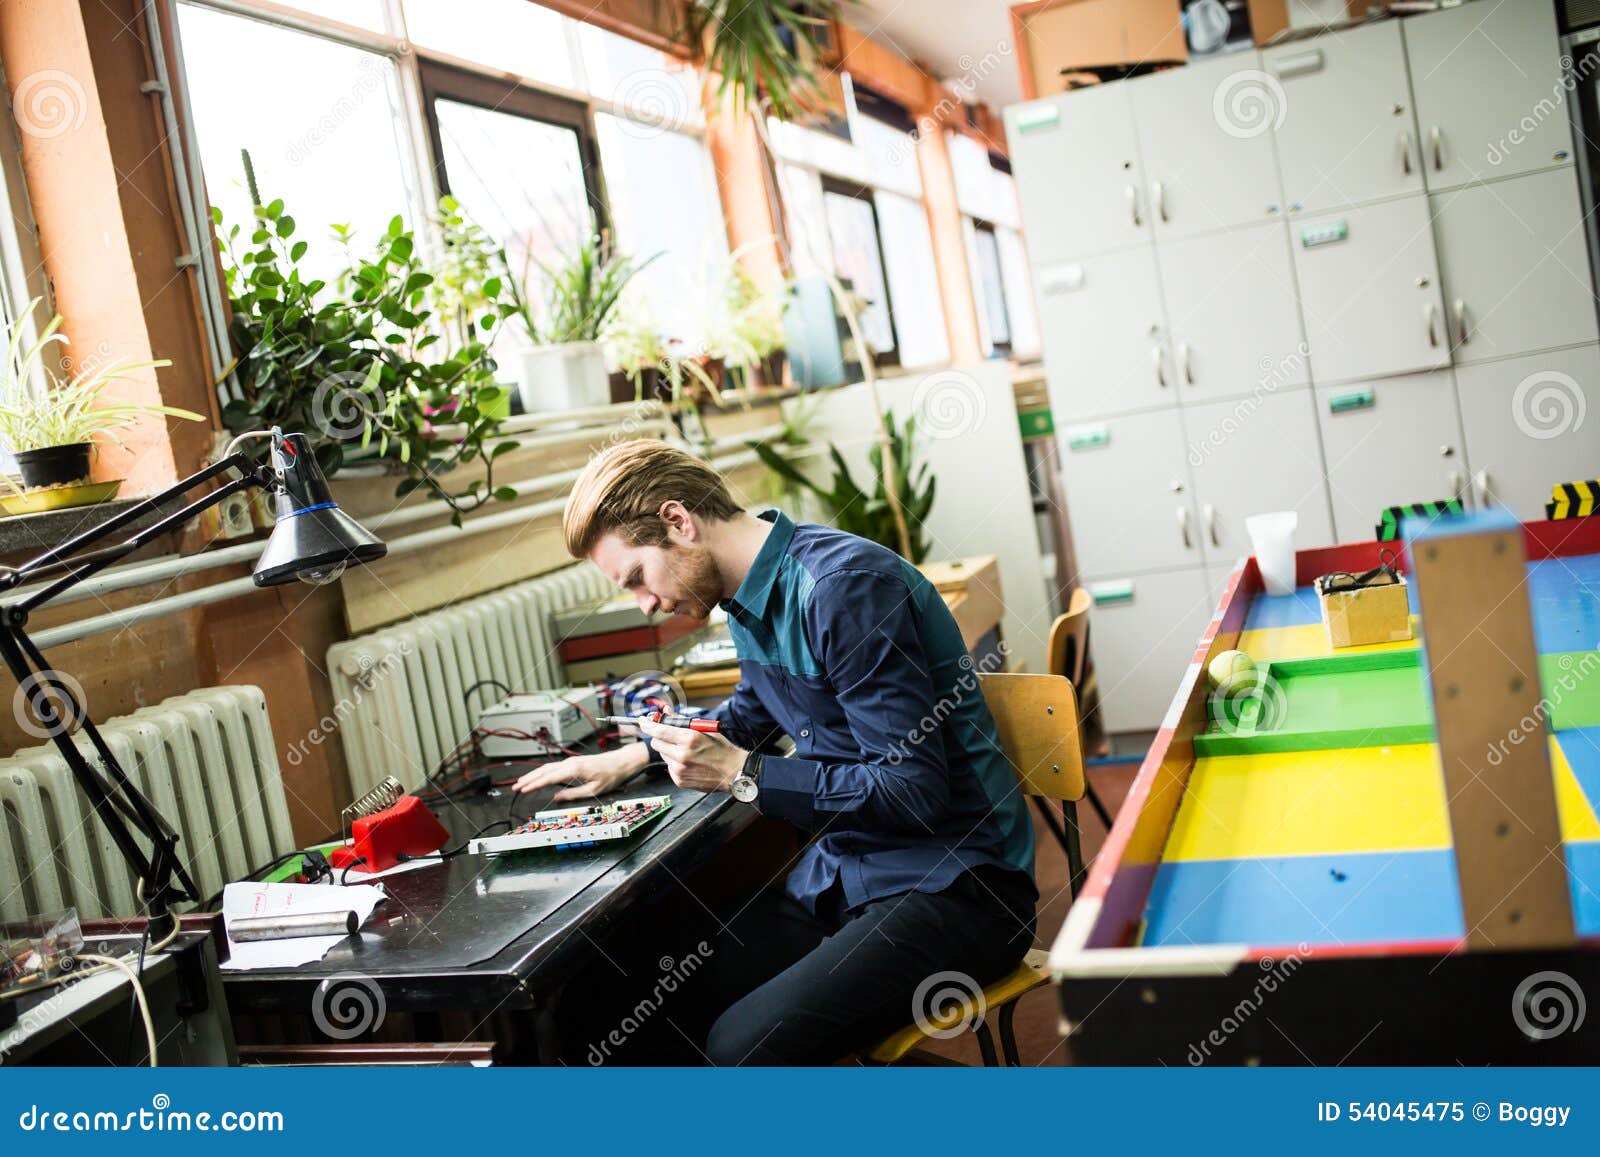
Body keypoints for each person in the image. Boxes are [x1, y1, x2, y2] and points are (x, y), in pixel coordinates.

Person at [515, 439, 1036, 1065]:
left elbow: (913, 793)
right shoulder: (742, 599)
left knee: (743, 1047)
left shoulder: (844, 588)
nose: (645, 605)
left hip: (958, 885)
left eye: (636, 579)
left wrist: (744, 774)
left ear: (678, 522)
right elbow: (748, 719)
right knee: (605, 1006)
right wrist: (632, 757)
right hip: (846, 878)